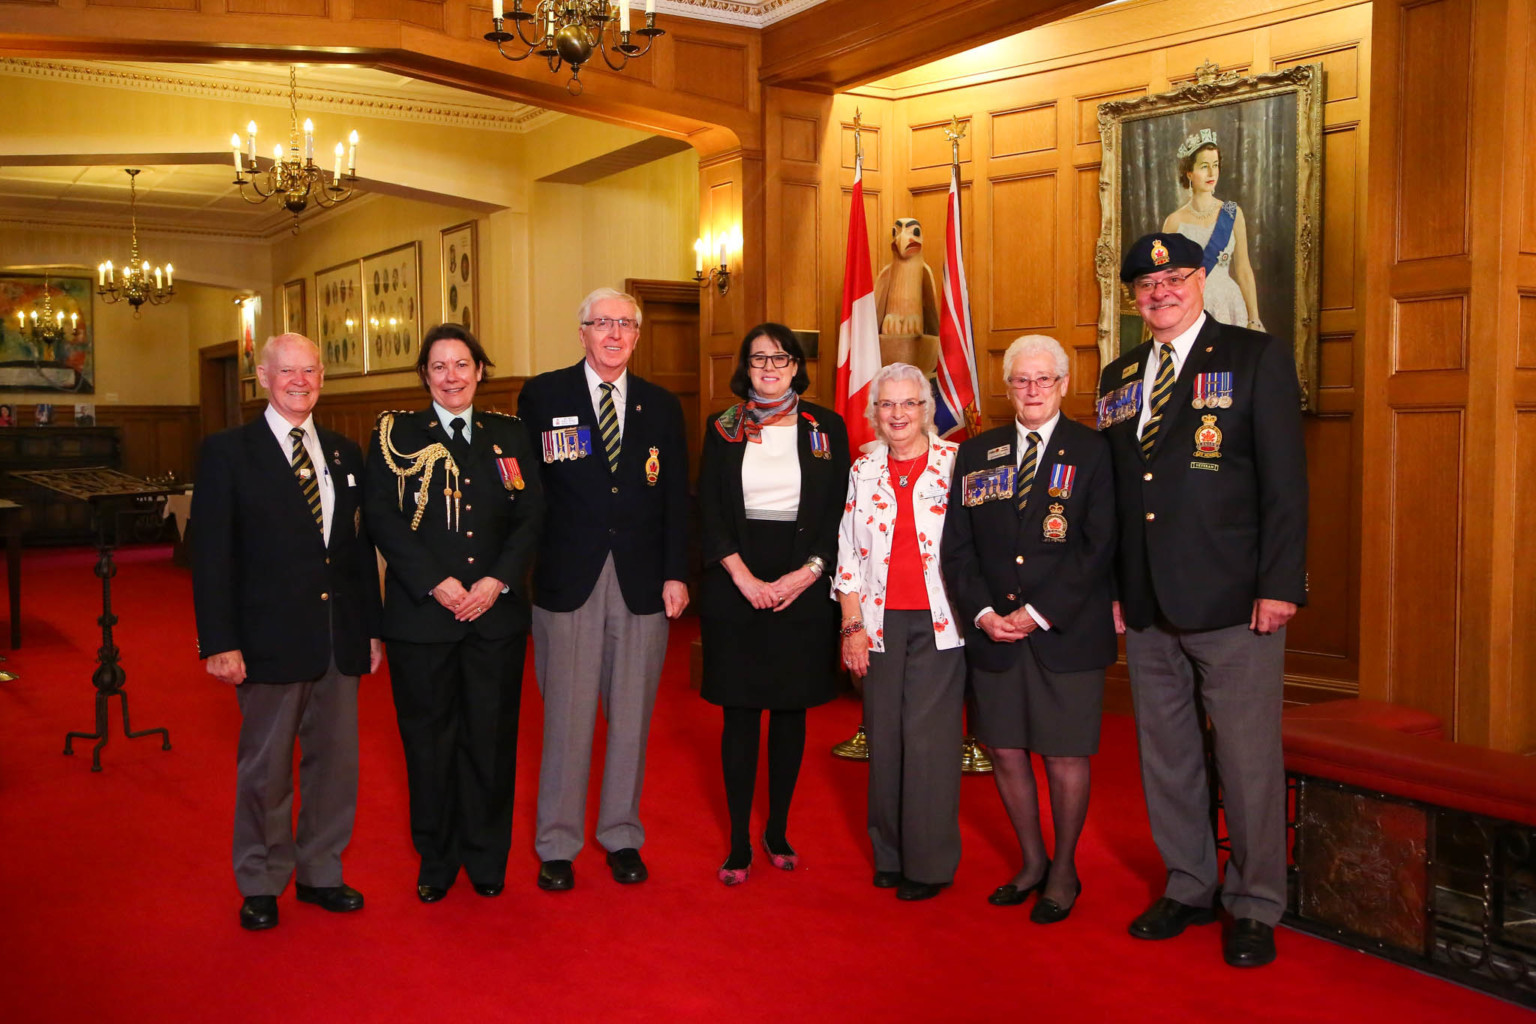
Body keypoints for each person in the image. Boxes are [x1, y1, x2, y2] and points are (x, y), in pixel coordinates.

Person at [1100, 232, 1308, 967]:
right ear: (1134, 297)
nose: (1160, 293)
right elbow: (1121, 497)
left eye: (1174, 279)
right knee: (1168, 755)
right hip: (1150, 603)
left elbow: (1285, 485)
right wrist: (1119, 591)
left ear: (1201, 279)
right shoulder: (1119, 374)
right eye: (1146, 287)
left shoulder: (1254, 357)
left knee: (1249, 760)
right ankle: (1189, 883)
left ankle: (1253, 903)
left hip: (1235, 601)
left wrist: (1280, 586)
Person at [192, 332, 382, 931]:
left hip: (339, 637)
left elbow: (358, 552)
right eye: (288, 372)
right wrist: (219, 641)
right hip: (267, 639)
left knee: (335, 766)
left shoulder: (346, 453)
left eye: (311, 371)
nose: (300, 381)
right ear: (263, 378)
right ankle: (261, 879)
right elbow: (212, 555)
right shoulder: (229, 453)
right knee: (265, 769)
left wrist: (371, 631)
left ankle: (321, 871)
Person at [518, 287, 690, 892]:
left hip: (643, 583)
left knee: (632, 718)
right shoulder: (544, 396)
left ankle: (621, 834)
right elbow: (530, 493)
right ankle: (557, 843)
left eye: (624, 324)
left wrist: (676, 572)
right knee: (565, 716)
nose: (613, 334)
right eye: (601, 324)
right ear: (582, 331)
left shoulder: (661, 406)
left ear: (637, 336)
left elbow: (675, 498)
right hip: (569, 580)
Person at [364, 323, 544, 903]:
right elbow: (383, 518)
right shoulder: (396, 434)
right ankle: (436, 858)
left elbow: (530, 517)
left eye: (462, 365)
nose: (451, 377)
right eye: (439, 367)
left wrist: (495, 581)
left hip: (495, 616)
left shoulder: (509, 435)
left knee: (490, 741)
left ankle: (488, 856)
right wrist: (436, 583)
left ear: (480, 371)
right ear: (425, 376)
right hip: (423, 618)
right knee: (428, 743)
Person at [941, 334, 1117, 924]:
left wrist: (1038, 613)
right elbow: (958, 550)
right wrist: (986, 614)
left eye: (1044, 379)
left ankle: (1065, 868)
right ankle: (1032, 860)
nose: (1032, 390)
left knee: (1064, 754)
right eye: (1021, 380)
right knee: (1006, 748)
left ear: (1063, 385)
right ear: (1009, 387)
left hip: (1064, 632)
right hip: (994, 633)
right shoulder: (977, 453)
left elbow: (1098, 548)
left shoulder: (1094, 452)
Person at [698, 323, 848, 886]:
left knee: (790, 711)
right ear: (745, 365)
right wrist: (742, 577)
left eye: (779, 357)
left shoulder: (824, 426)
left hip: (803, 581)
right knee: (740, 714)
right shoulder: (724, 427)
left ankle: (777, 829)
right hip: (736, 582)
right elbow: (710, 512)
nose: (768, 367)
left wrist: (805, 576)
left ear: (795, 366)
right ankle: (738, 839)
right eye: (758, 358)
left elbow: (839, 513)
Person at [834, 362, 963, 901]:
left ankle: (929, 863)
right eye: (887, 405)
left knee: (929, 744)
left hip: (943, 623)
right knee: (884, 739)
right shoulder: (862, 470)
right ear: (875, 413)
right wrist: (852, 627)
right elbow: (846, 551)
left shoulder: (957, 465)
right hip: (879, 623)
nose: (898, 415)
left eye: (909, 404)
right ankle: (888, 851)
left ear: (927, 410)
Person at [1161, 128, 1263, 331]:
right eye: (1204, 166)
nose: (1211, 173)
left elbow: (1243, 270)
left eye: (1215, 166)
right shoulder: (1174, 222)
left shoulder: (1232, 214)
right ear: (1189, 172)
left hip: (1229, 304)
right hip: (1190, 309)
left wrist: (1254, 319)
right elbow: (1165, 279)